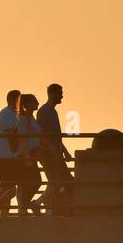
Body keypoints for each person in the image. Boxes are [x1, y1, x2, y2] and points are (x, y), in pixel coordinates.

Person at [36, 84, 73, 213]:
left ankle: (45, 205)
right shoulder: (44, 111)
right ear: (52, 94)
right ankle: (47, 206)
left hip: (56, 153)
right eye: (60, 93)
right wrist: (50, 148)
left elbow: (55, 136)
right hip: (48, 154)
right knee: (57, 181)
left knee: (63, 181)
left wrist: (65, 151)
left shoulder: (52, 111)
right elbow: (40, 133)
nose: (62, 95)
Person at [15, 94, 45, 212]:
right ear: (26, 105)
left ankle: (24, 207)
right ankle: (25, 206)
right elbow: (23, 138)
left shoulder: (30, 118)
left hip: (32, 154)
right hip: (25, 155)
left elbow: (38, 136)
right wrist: (27, 157)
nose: (37, 103)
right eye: (34, 102)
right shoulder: (24, 119)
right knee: (35, 182)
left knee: (31, 182)